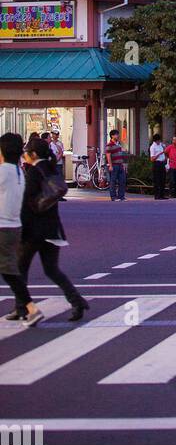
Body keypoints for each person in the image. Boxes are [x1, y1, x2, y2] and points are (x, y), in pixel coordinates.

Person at [18, 133, 88, 322]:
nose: (24, 155)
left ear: (32, 154)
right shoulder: (50, 169)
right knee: (52, 269)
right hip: (52, 228)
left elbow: (27, 202)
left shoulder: (33, 172)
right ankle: (76, 300)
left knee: (20, 268)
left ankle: (22, 307)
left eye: (26, 152)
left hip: (34, 230)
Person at [0, 133, 42, 327]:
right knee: (9, 269)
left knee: (9, 270)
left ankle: (30, 307)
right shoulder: (19, 172)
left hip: (3, 227)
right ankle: (27, 307)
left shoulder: (4, 172)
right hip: (14, 226)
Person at [105, 128, 127, 201]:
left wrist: (123, 164)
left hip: (120, 164)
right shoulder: (109, 145)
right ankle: (113, 197)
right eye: (116, 135)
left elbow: (120, 154)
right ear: (112, 136)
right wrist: (110, 165)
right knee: (113, 181)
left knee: (122, 181)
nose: (118, 136)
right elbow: (108, 155)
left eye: (118, 134)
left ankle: (121, 196)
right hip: (114, 165)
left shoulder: (119, 144)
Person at [149, 133, 168, 200]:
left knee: (163, 179)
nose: (159, 141)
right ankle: (157, 195)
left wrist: (165, 158)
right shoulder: (152, 147)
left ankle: (162, 195)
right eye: (158, 140)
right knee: (157, 180)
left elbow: (165, 152)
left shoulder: (161, 145)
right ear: (156, 140)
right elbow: (152, 159)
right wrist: (159, 154)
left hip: (162, 163)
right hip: (156, 163)